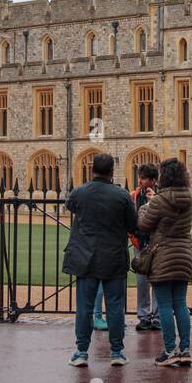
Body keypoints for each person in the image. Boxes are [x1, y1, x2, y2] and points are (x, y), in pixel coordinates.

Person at [62, 153, 137, 366]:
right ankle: (116, 352)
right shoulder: (121, 196)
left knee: (84, 307)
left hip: (85, 257)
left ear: (92, 169)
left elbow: (70, 205)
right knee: (114, 306)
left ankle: (81, 352)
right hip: (113, 257)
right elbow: (132, 226)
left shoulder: (80, 192)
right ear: (112, 172)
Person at [137, 158, 192, 365]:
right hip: (184, 254)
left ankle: (170, 350)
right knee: (180, 304)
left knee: (164, 305)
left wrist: (146, 206)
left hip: (163, 255)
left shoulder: (160, 200)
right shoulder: (189, 197)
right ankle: (185, 350)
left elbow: (144, 225)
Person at [131, 163, 161, 331]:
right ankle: (143, 316)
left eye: (143, 178)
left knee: (156, 280)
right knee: (142, 282)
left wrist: (154, 201)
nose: (140, 181)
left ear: (153, 180)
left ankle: (157, 318)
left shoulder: (160, 196)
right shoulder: (134, 196)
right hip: (140, 245)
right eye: (140, 177)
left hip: (156, 245)